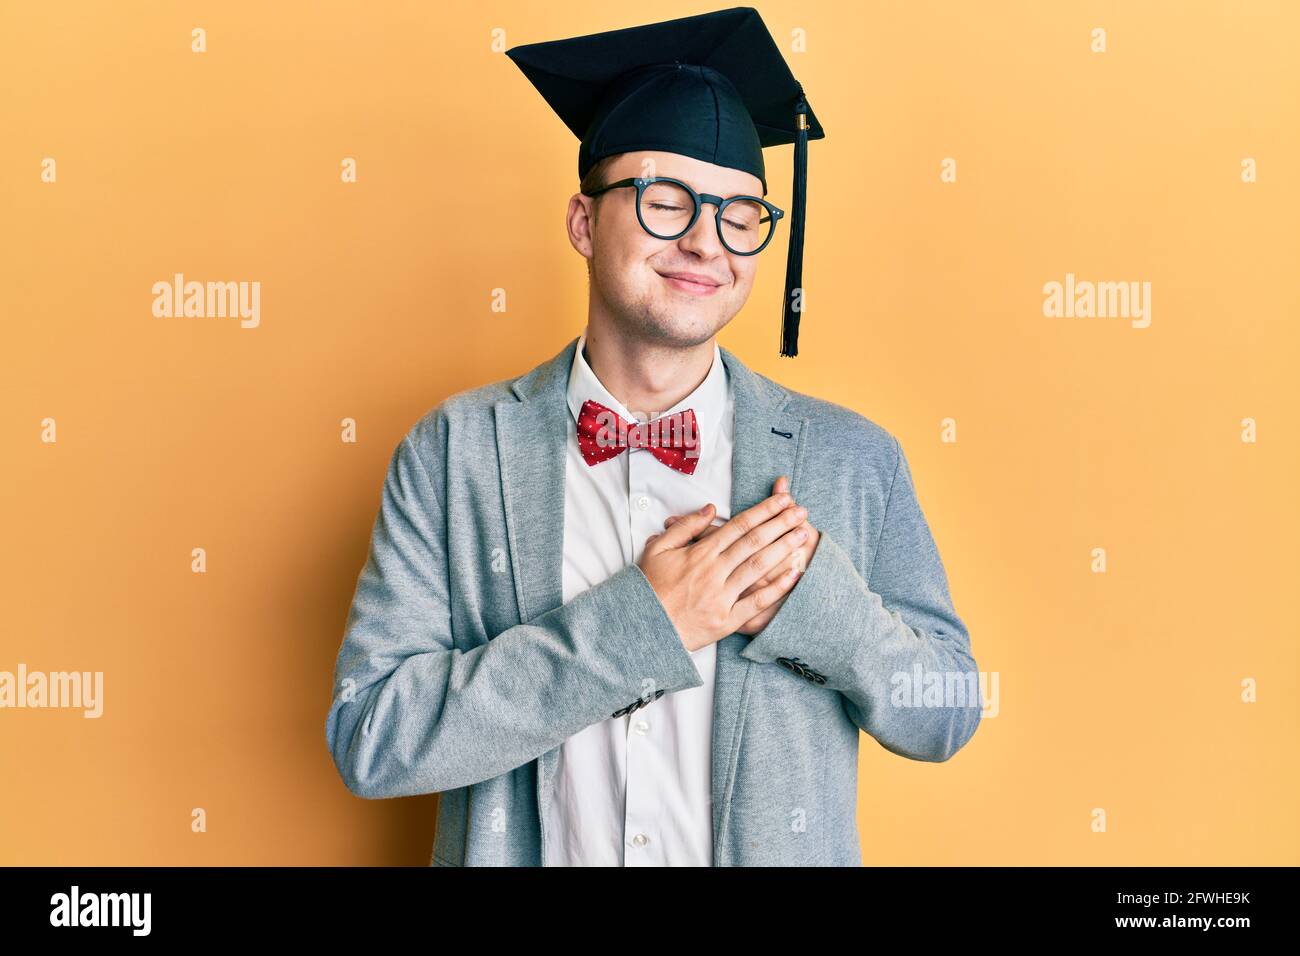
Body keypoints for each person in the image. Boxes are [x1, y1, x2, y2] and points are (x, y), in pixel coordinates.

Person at [326, 7, 980, 867]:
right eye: (665, 201)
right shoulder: (454, 453)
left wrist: (817, 600)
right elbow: (372, 737)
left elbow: (946, 713)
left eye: (741, 215)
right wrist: (645, 623)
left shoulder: (854, 458)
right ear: (585, 223)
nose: (706, 241)